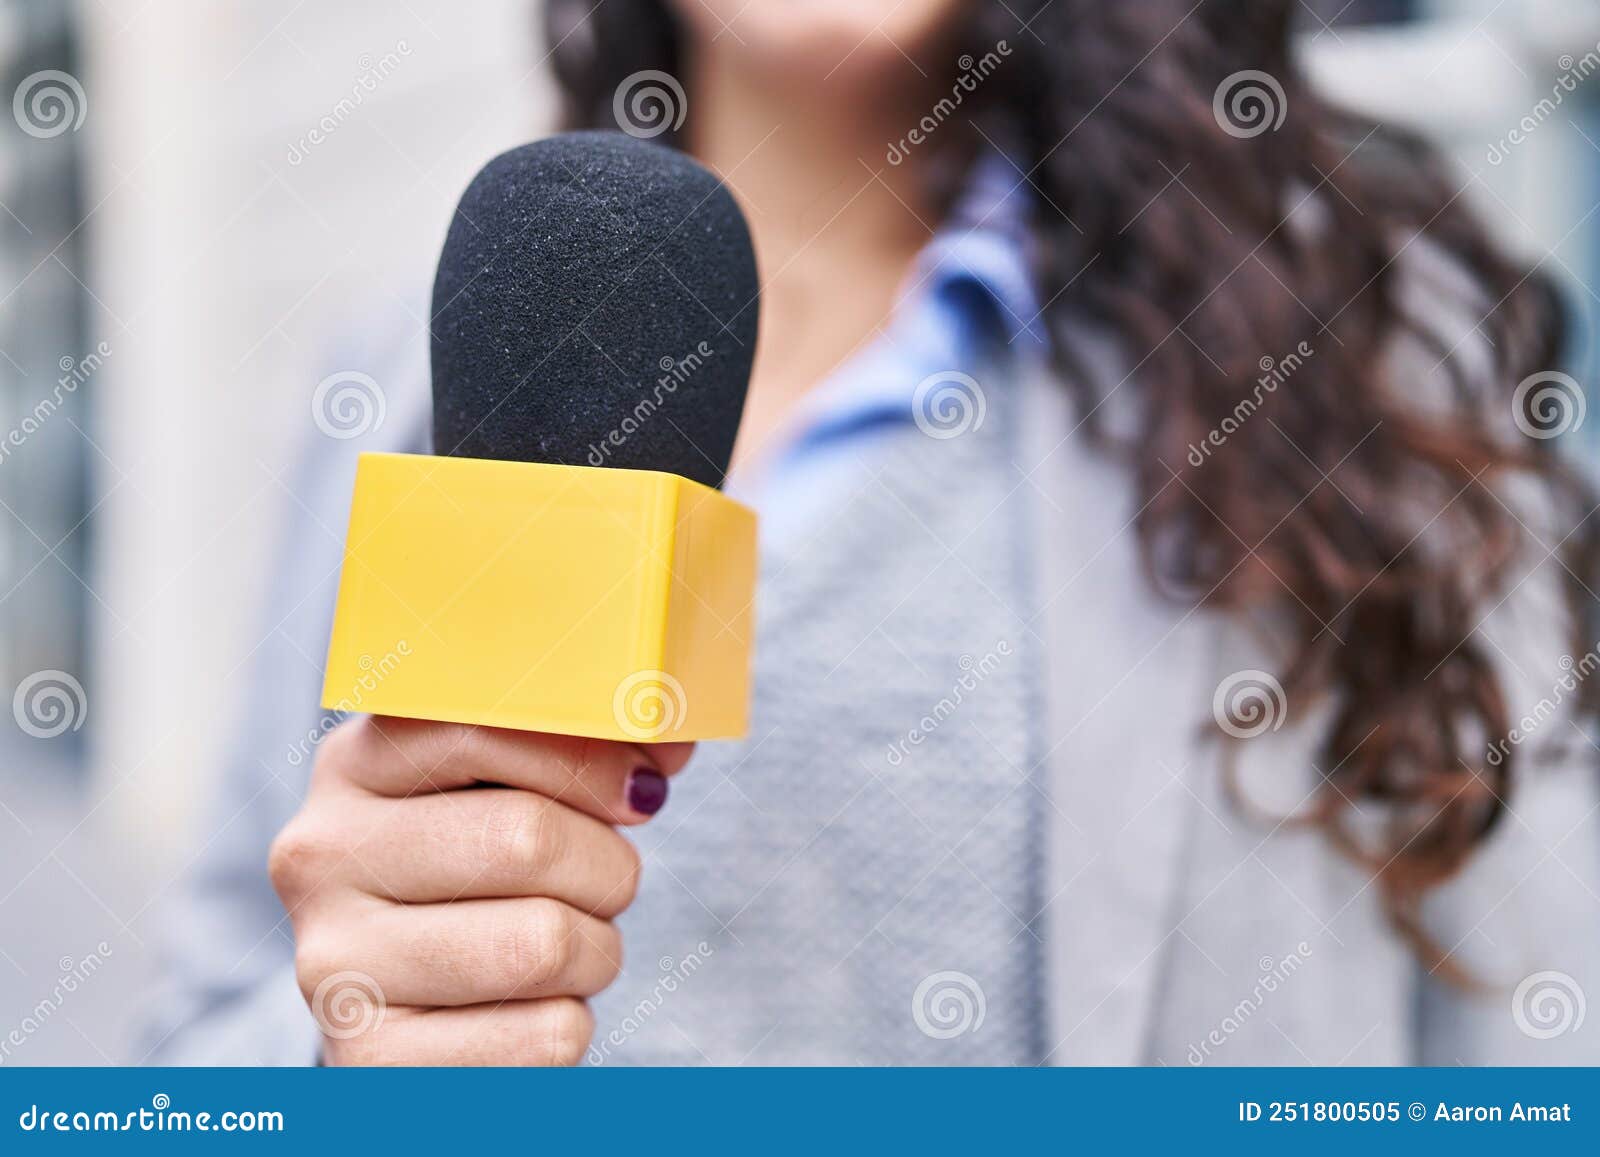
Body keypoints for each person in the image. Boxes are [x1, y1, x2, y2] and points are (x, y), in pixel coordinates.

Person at [146, 0, 1600, 1065]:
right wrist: (347, 1034)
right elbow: (196, 1054)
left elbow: (1538, 1029)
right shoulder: (401, 380)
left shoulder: (1342, 366)